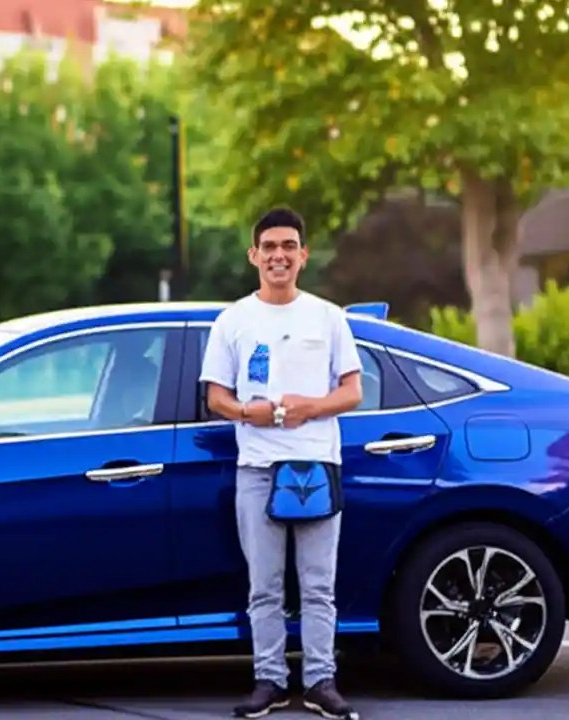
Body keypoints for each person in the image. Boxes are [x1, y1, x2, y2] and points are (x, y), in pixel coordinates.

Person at [199, 207, 363, 720]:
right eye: (269, 247)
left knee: (318, 586)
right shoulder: (233, 320)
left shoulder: (328, 316)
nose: (279, 255)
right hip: (257, 471)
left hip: (315, 468)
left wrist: (309, 408)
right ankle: (269, 681)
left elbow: (353, 391)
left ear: (303, 255)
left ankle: (320, 682)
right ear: (254, 255)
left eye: (288, 246)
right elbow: (215, 398)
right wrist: (253, 412)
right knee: (263, 587)